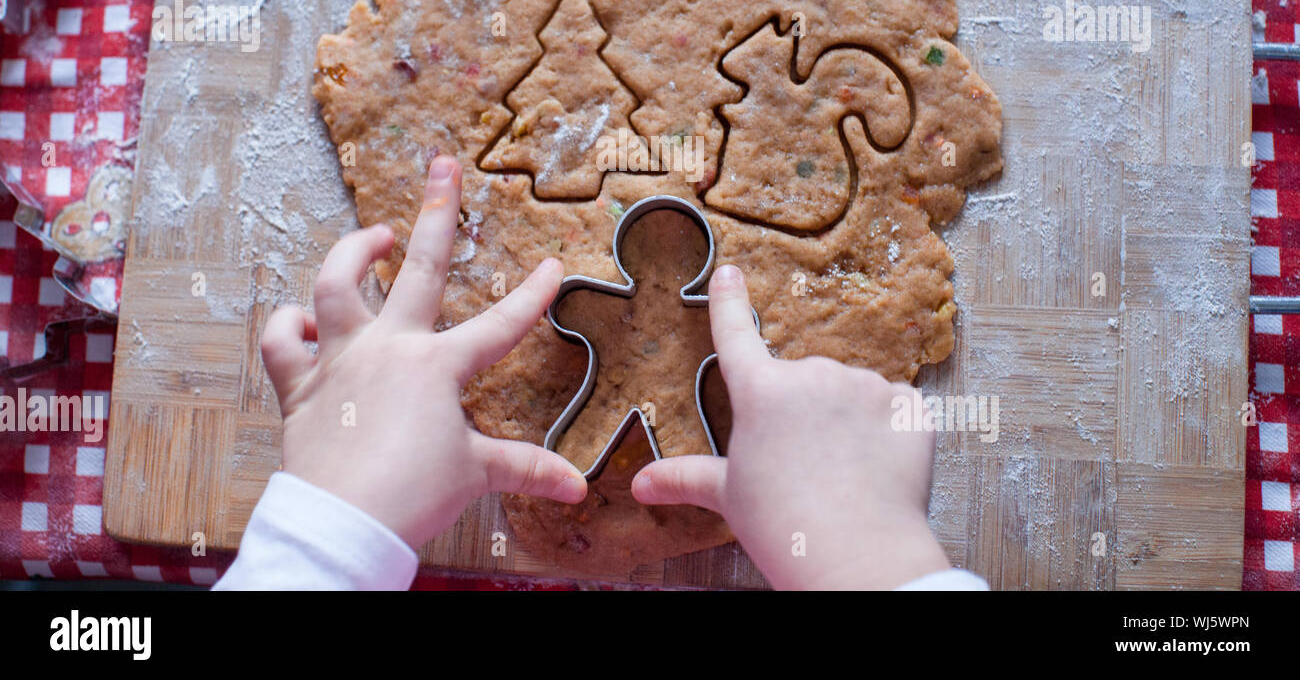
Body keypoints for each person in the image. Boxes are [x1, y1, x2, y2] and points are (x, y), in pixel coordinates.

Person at [214, 156, 987, 591]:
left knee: (635, 427)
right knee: (597, 429)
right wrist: (865, 554)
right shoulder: (596, 312)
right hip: (629, 409)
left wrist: (333, 514)